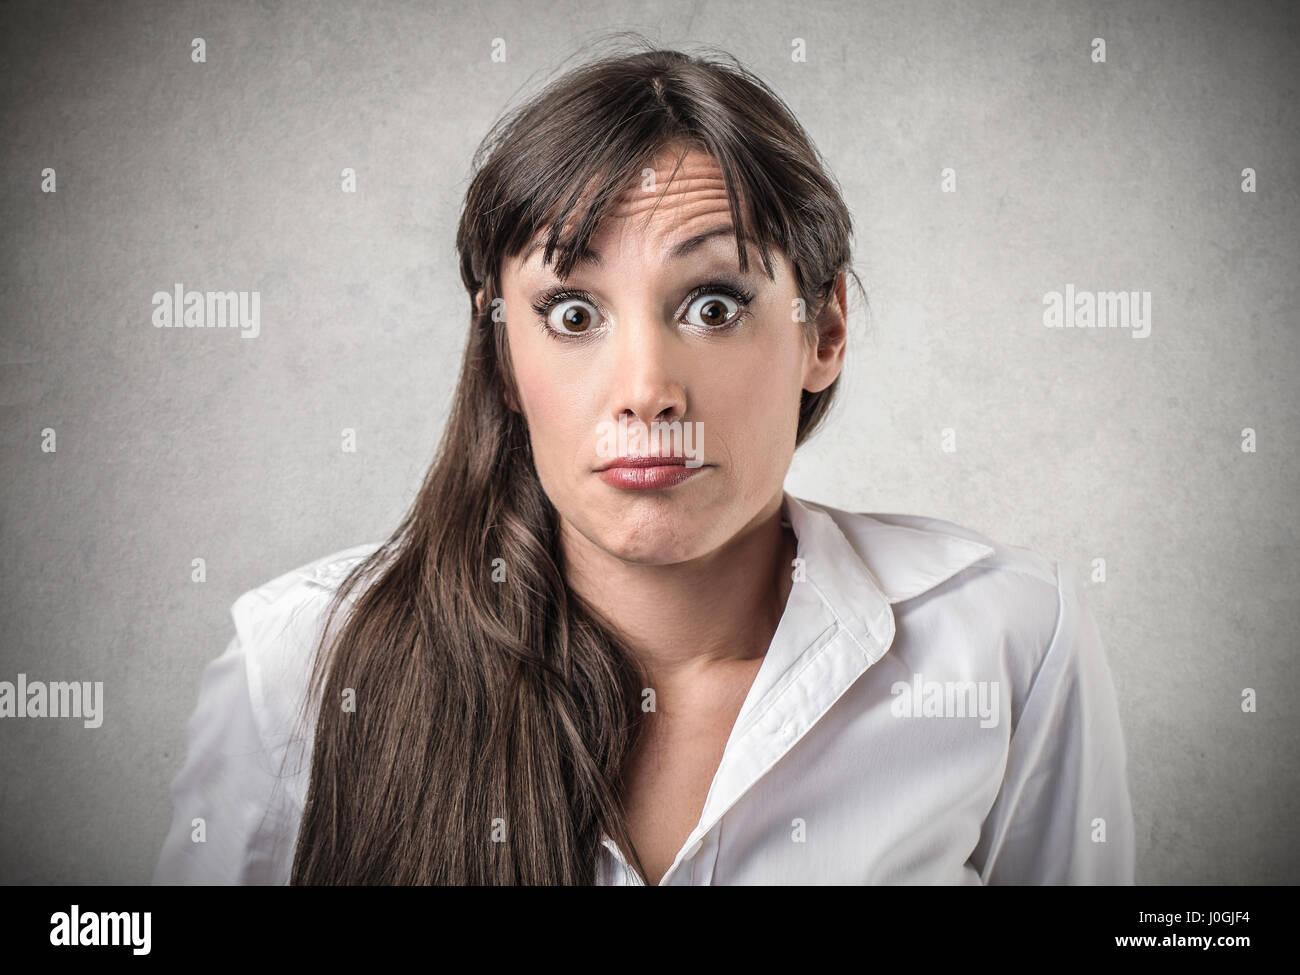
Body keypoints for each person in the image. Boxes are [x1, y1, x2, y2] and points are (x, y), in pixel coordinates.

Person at [153, 44, 1135, 886]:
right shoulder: (298, 665)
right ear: (502, 352)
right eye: (572, 314)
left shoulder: (1007, 640)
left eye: (713, 304)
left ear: (823, 330)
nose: (646, 391)